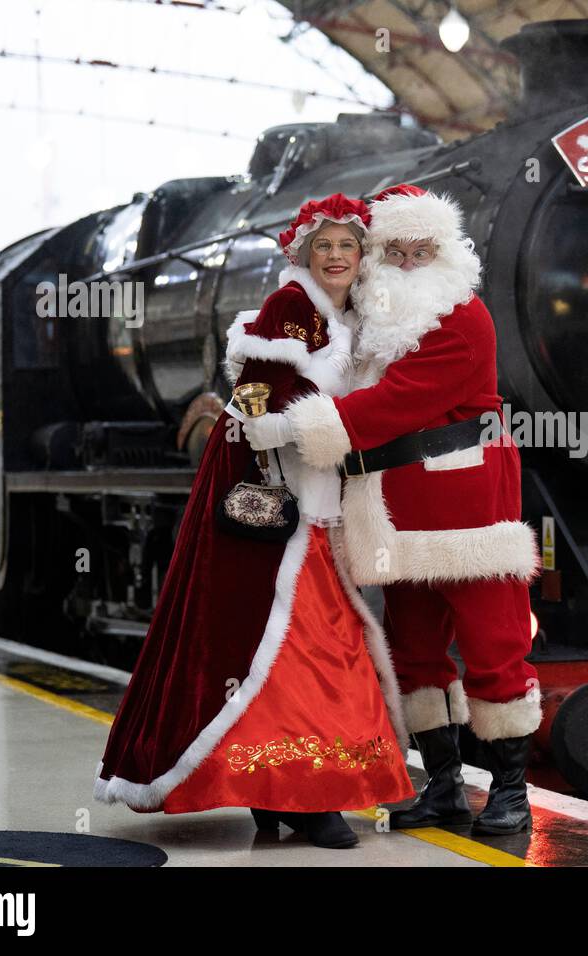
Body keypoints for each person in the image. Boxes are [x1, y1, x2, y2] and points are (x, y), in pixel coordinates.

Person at [94, 193, 414, 849]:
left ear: (361, 256)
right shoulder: (291, 308)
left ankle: (277, 796)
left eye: (346, 246)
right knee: (303, 650)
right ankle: (309, 796)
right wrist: (316, 433)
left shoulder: (339, 312)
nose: (335, 256)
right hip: (281, 511)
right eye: (323, 245)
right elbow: (253, 407)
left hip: (307, 505)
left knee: (283, 649)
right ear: (302, 252)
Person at [243, 184, 542, 835]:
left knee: (495, 649)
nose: (406, 260)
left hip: (470, 512)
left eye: (421, 249)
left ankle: (512, 792)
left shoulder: (463, 319)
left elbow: (391, 406)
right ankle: (442, 787)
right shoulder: (372, 329)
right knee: (415, 652)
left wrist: (295, 426)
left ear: (446, 251)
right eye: (394, 249)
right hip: (398, 513)